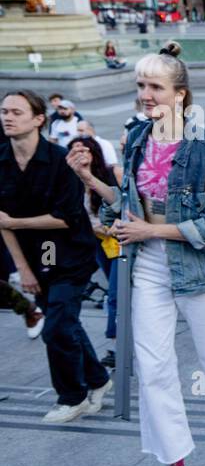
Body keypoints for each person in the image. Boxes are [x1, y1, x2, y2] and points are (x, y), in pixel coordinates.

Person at [85, 43, 205, 466]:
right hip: (147, 262)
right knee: (151, 366)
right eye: (140, 86)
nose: (145, 94)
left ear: (180, 94)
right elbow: (129, 202)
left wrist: (151, 228)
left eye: (155, 87)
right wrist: (106, 203)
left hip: (196, 264)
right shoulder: (136, 138)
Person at [0, 90, 113, 423]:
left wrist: (15, 222)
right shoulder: (1, 160)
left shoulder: (59, 160)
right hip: (36, 256)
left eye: (16, 112)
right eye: (4, 111)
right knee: (66, 323)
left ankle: (71, 396)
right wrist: (23, 270)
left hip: (68, 252)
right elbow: (1, 222)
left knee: (56, 328)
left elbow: (64, 218)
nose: (7, 117)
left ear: (38, 119)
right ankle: (98, 379)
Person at [65, 132, 123, 360]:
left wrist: (113, 226)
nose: (79, 154)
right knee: (116, 292)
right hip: (99, 244)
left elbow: (130, 203)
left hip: (119, 240)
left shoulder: (111, 173)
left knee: (115, 295)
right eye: (74, 151)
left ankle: (117, 347)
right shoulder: (70, 181)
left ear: (94, 152)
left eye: (84, 149)